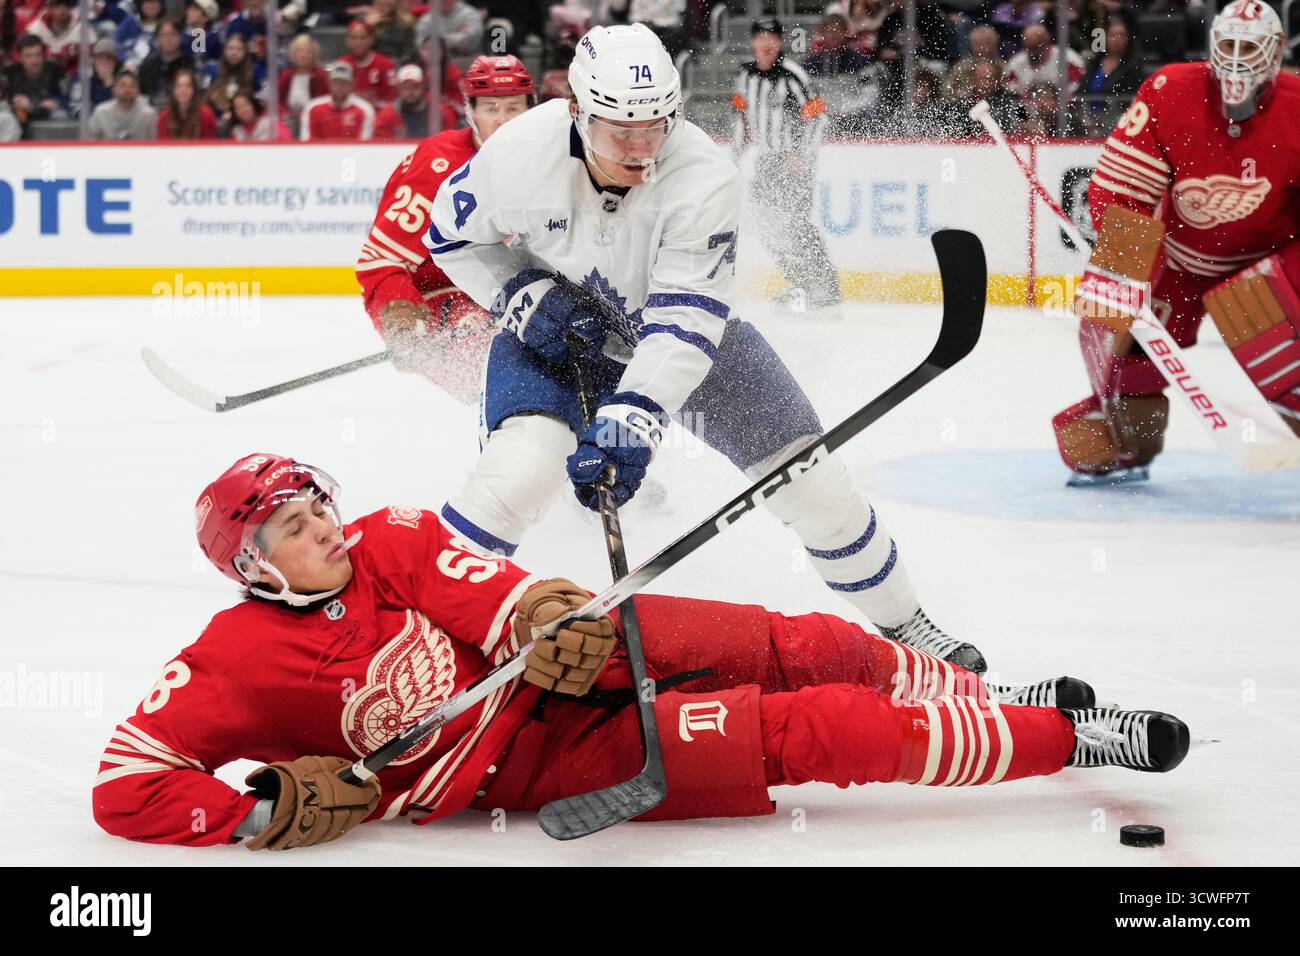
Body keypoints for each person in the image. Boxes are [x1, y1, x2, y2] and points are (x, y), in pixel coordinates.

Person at [91, 451, 1192, 849]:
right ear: (254, 564)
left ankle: (985, 692)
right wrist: (255, 812)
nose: (323, 525)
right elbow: (123, 782)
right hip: (541, 768)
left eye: (315, 505)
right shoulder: (228, 661)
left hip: (577, 658)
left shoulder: (384, 538)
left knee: (808, 644)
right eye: (292, 525)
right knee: (820, 729)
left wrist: (537, 615)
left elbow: (481, 584)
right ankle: (1058, 735)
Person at [424, 23, 986, 671]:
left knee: (813, 484)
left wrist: (632, 417)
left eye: (656, 126)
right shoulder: (520, 150)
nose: (641, 150)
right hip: (557, 339)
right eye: (619, 133)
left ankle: (908, 624)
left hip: (678, 341)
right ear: (577, 114)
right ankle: (431, 631)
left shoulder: (703, 177)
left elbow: (685, 323)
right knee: (523, 472)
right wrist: (523, 295)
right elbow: (449, 235)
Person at [1054, 0, 1300, 484]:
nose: (1237, 58)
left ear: (1273, 55)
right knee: (1121, 335)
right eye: (1228, 45)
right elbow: (1123, 188)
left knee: (1271, 334)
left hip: (1267, 260)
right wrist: (1123, 273)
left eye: (1249, 47)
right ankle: (1122, 430)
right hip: (1180, 262)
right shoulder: (1171, 90)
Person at [359, 55, 533, 403]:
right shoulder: (437, 166)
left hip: (520, 294)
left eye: (513, 108)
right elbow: (379, 263)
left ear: (533, 108)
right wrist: (402, 320)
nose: (502, 122)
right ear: (470, 111)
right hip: (447, 299)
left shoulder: (556, 157)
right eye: (490, 109)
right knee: (506, 383)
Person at [731, 17, 842, 316]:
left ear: (779, 43)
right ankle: (803, 286)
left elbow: (819, 117)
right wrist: (734, 159)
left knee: (797, 228)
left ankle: (826, 291)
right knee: (769, 230)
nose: (766, 44)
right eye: (760, 37)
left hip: (793, 165)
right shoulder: (745, 77)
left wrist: (802, 156)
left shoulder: (794, 76)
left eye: (772, 38)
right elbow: (741, 119)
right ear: (753, 42)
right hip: (767, 163)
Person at [373, 61, 460, 139]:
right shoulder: (388, 114)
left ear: (423, 87)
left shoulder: (441, 112)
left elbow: (451, 140)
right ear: (398, 89)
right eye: (405, 88)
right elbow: (380, 144)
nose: (410, 92)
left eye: (415, 87)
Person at [1003, 23, 1085, 99]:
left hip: (1064, 109)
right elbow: (1009, 90)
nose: (1032, 52)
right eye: (1028, 48)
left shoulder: (1067, 58)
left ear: (1047, 42)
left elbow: (1076, 88)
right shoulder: (1016, 63)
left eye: (1035, 47)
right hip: (1027, 110)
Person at [301, 60, 375, 141]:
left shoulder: (365, 109)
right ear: (329, 83)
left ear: (352, 84)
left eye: (344, 83)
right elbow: (307, 143)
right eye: (335, 82)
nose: (339, 87)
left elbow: (365, 144)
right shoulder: (313, 108)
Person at [5, 34, 67, 126]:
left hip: (50, 115)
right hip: (20, 117)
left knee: (61, 115)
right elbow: (9, 100)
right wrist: (15, 103)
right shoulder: (11, 72)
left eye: (38, 55)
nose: (34, 60)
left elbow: (66, 97)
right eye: (28, 56)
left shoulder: (56, 70)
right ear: (20, 57)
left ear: (43, 55)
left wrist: (57, 102)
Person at [137, 19, 195, 109]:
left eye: (173, 34)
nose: (169, 39)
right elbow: (140, 94)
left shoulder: (190, 64)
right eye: (164, 35)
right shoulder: (147, 65)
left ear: (180, 37)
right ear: (157, 38)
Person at [340, 18, 395, 109]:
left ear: (371, 40)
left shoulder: (385, 64)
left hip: (379, 118)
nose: (358, 43)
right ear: (347, 41)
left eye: (363, 38)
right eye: (354, 38)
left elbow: (391, 100)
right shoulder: (342, 65)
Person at [87, 67, 156, 139]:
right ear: (114, 89)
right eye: (122, 85)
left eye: (132, 86)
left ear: (138, 90)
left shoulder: (148, 114)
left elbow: (156, 146)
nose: (127, 90)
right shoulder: (101, 112)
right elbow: (90, 144)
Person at [278, 34, 329, 124]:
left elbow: (321, 103)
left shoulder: (320, 75)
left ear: (314, 55)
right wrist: (285, 114)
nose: (303, 55)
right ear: (293, 54)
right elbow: (278, 101)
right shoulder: (286, 75)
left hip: (314, 119)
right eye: (300, 51)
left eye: (308, 51)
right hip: (289, 119)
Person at [156, 64, 218, 139]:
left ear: (194, 90)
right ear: (173, 90)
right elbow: (163, 147)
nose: (183, 90)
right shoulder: (164, 117)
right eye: (179, 86)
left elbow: (210, 146)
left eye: (188, 86)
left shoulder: (206, 115)